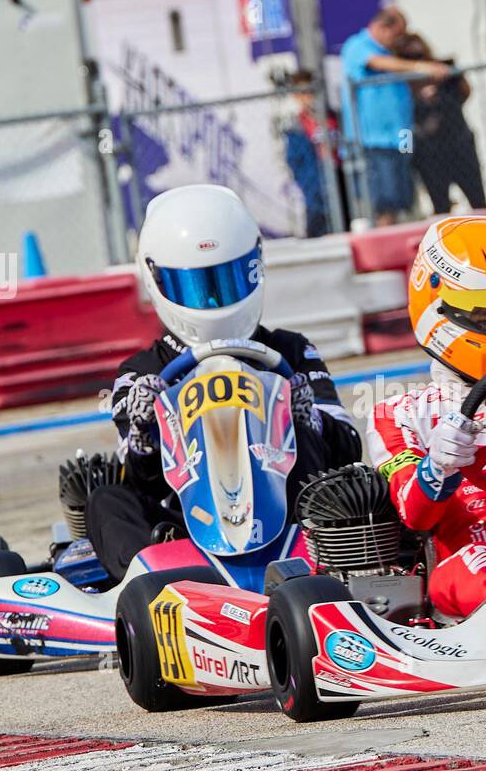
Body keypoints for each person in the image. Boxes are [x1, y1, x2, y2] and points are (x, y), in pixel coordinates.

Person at [86, 184, 362, 579]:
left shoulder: (292, 352)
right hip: (186, 530)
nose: (215, 303)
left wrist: (305, 418)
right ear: (156, 280)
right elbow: (140, 478)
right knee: (107, 500)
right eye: (199, 287)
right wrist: (146, 430)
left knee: (366, 483)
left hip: (293, 524)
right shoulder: (141, 371)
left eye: (227, 281)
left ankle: (338, 559)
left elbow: (348, 453)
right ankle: (151, 585)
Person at [366, 215, 486, 620]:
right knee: (484, 567)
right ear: (438, 308)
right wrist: (438, 467)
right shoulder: (400, 413)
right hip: (467, 560)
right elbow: (414, 515)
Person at [340, 6, 450, 227]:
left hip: (402, 135)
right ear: (382, 27)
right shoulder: (358, 46)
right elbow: (377, 63)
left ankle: (406, 230)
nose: (399, 40)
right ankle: (385, 246)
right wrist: (421, 67)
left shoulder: (390, 53)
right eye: (397, 34)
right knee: (385, 199)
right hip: (376, 140)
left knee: (406, 192)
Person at [394, 32, 486, 216]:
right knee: (441, 204)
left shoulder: (443, 70)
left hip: (458, 142)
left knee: (478, 199)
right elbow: (404, 129)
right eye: (410, 58)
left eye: (420, 56)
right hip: (428, 150)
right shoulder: (401, 85)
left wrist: (443, 81)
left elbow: (465, 93)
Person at [280, 70, 342, 238]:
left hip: (337, 172)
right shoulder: (296, 126)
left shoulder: (332, 117)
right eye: (302, 93)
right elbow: (295, 159)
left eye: (311, 92)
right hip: (315, 178)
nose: (308, 97)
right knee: (317, 215)